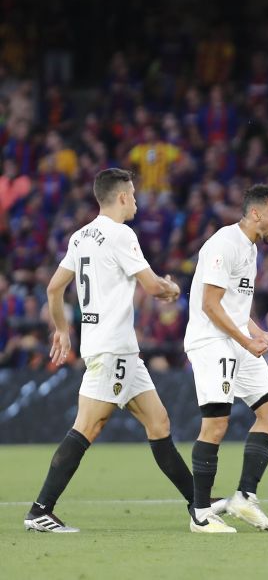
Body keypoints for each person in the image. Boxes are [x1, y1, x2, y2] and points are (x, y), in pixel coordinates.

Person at [25, 168, 189, 533]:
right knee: (87, 426)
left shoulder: (80, 236)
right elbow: (152, 286)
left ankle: (200, 506)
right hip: (112, 348)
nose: (136, 200)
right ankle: (40, 510)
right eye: (133, 194)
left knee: (159, 423)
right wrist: (172, 289)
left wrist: (62, 330)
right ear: (121, 197)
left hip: (117, 349)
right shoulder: (121, 234)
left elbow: (54, 289)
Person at [184, 184, 268, 533]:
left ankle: (244, 496)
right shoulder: (224, 244)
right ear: (256, 213)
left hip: (236, 341)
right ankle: (201, 514)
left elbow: (235, 308)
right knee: (215, 424)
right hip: (212, 341)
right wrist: (247, 341)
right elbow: (210, 305)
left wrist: (260, 334)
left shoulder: (250, 248)